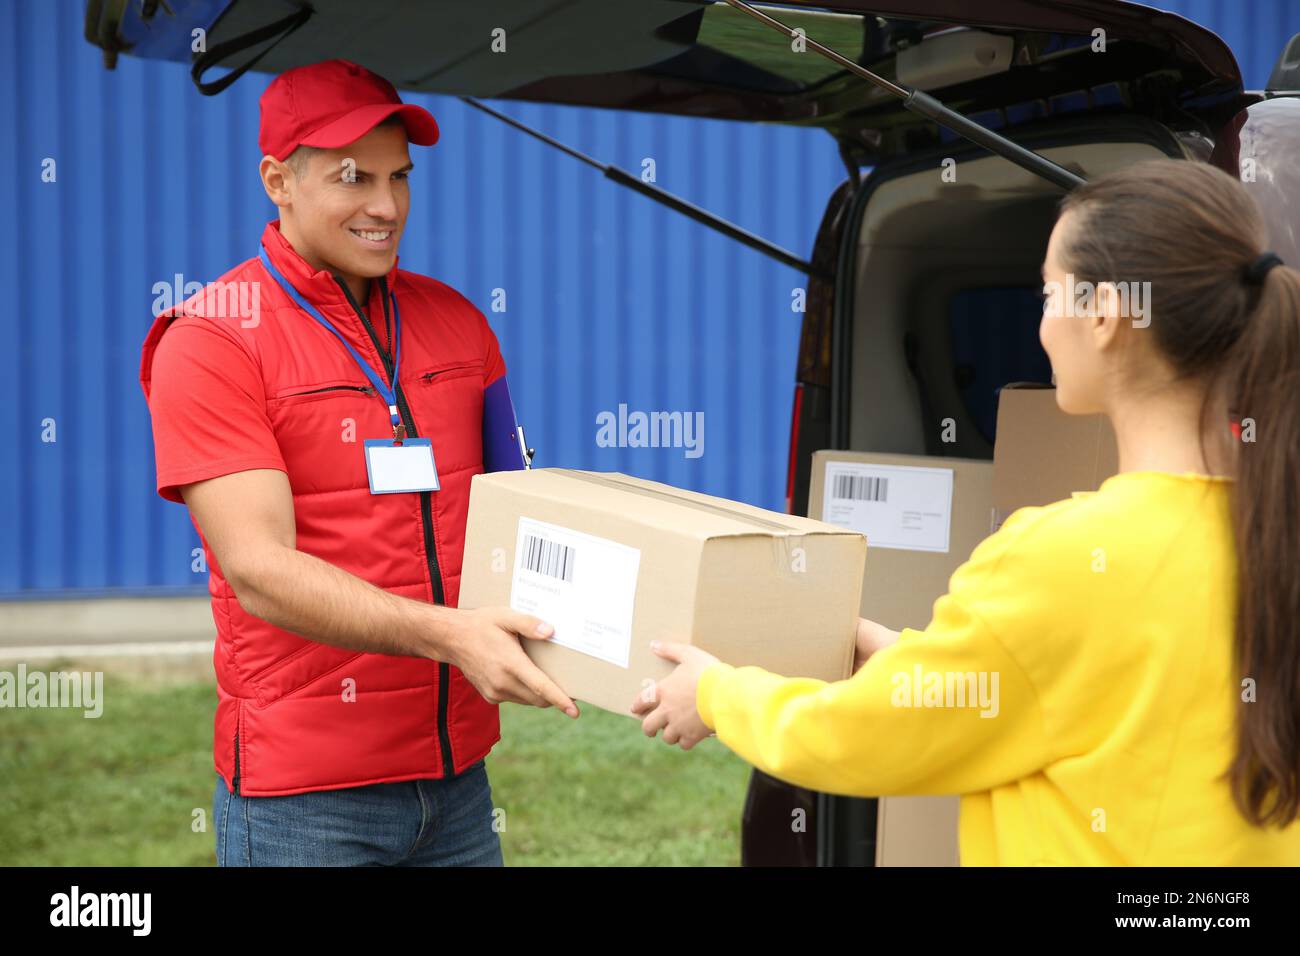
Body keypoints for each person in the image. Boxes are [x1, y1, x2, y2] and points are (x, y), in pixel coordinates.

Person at [633, 158, 1300, 865]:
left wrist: (717, 692)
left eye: (1049, 295)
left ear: (1105, 316)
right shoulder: (1273, 526)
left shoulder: (1061, 556)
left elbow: (860, 737)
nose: (1041, 326)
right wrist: (917, 661)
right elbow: (1080, 688)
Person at [139, 59, 571, 867]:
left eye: (399, 177)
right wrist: (453, 637)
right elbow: (260, 569)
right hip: (305, 802)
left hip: (457, 785)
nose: (386, 206)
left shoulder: (457, 324)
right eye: (352, 178)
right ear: (278, 180)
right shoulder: (210, 341)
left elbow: (520, 514)